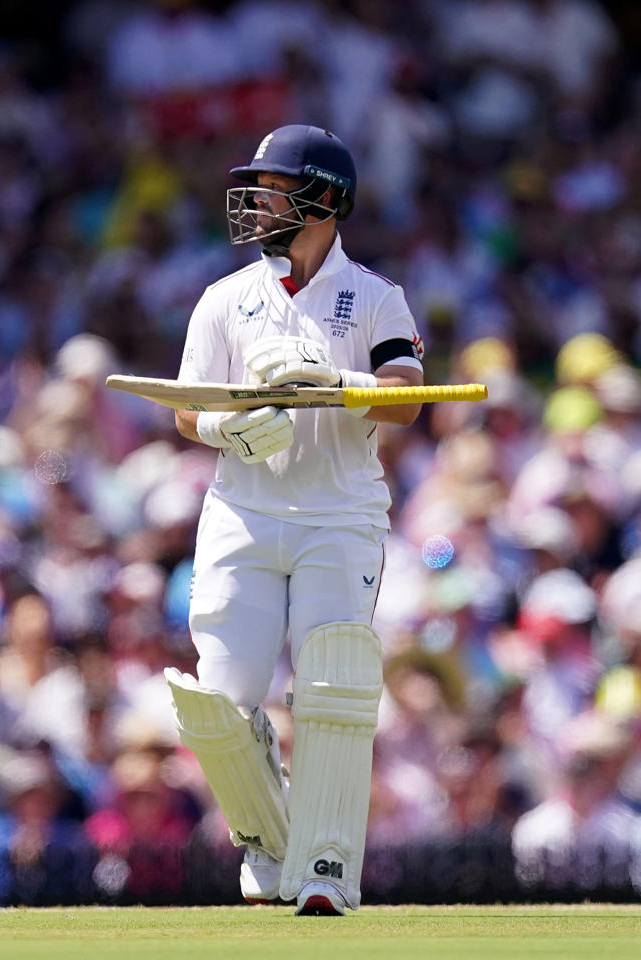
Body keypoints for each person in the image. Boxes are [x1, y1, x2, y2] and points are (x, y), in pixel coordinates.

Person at [165, 124, 424, 916]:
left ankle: (325, 867)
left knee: (330, 685)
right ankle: (269, 838)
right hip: (242, 512)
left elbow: (408, 397)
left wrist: (336, 382)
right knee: (221, 699)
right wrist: (224, 428)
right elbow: (187, 408)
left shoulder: (375, 296)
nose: (256, 204)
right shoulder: (225, 298)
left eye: (273, 189)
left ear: (323, 199)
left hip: (339, 515)